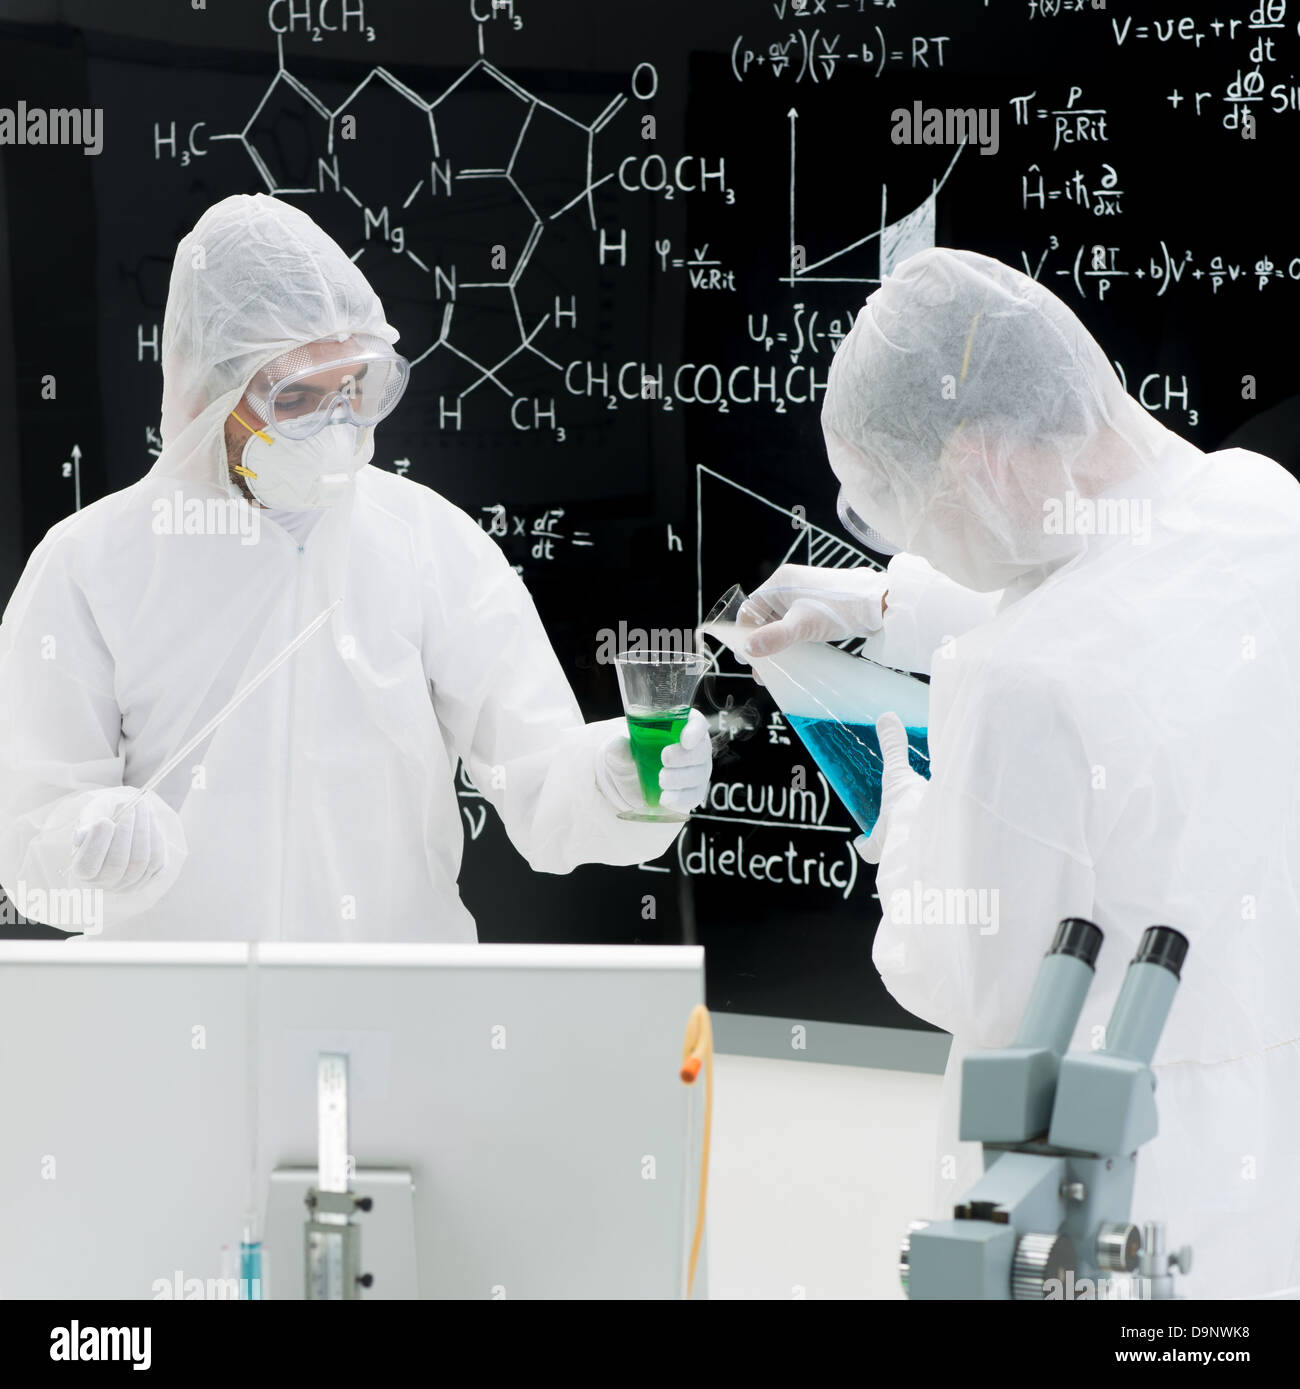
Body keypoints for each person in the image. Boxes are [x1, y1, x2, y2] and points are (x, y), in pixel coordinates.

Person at [743, 247, 1300, 1298]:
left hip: (1113, 1173)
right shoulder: (1257, 503)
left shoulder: (1012, 689)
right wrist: (872, 603)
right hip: (1273, 1129)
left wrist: (901, 810)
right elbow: (1131, 604)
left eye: (913, 507)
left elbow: (979, 983)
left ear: (986, 459)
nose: (927, 542)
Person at [0, 193, 711, 940]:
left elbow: (538, 777)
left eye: (351, 390)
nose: (334, 424)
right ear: (209, 391)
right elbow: (28, 834)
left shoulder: (427, 540)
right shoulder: (92, 564)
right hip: (173, 1019)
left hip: (396, 1014)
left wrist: (618, 779)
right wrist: (92, 849)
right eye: (295, 398)